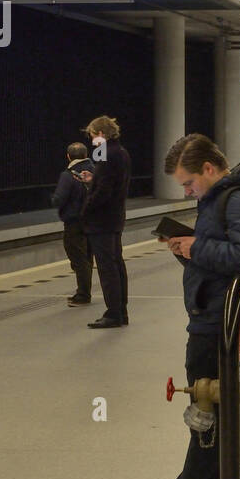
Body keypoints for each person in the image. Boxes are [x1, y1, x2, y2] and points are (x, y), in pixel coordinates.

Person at [126, 134, 240, 479]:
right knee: (216, 414)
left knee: (207, 415)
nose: (188, 191)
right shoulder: (219, 199)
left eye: (189, 183)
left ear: (209, 169)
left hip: (220, 326)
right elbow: (220, 256)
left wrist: (197, 249)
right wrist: (185, 248)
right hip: (213, 318)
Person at [78, 115, 131, 328]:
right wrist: (93, 179)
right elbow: (107, 178)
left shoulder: (106, 152)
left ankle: (113, 313)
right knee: (116, 263)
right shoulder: (121, 152)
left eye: (92, 135)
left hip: (102, 220)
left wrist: (85, 210)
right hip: (116, 216)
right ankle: (121, 310)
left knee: (107, 267)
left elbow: (104, 190)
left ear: (100, 134)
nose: (91, 140)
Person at [51, 142, 95, 306]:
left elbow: (59, 199)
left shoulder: (68, 175)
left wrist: (52, 200)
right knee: (88, 256)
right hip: (92, 221)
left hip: (74, 221)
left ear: (68, 156)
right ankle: (86, 290)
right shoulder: (95, 171)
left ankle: (83, 294)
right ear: (86, 155)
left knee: (77, 257)